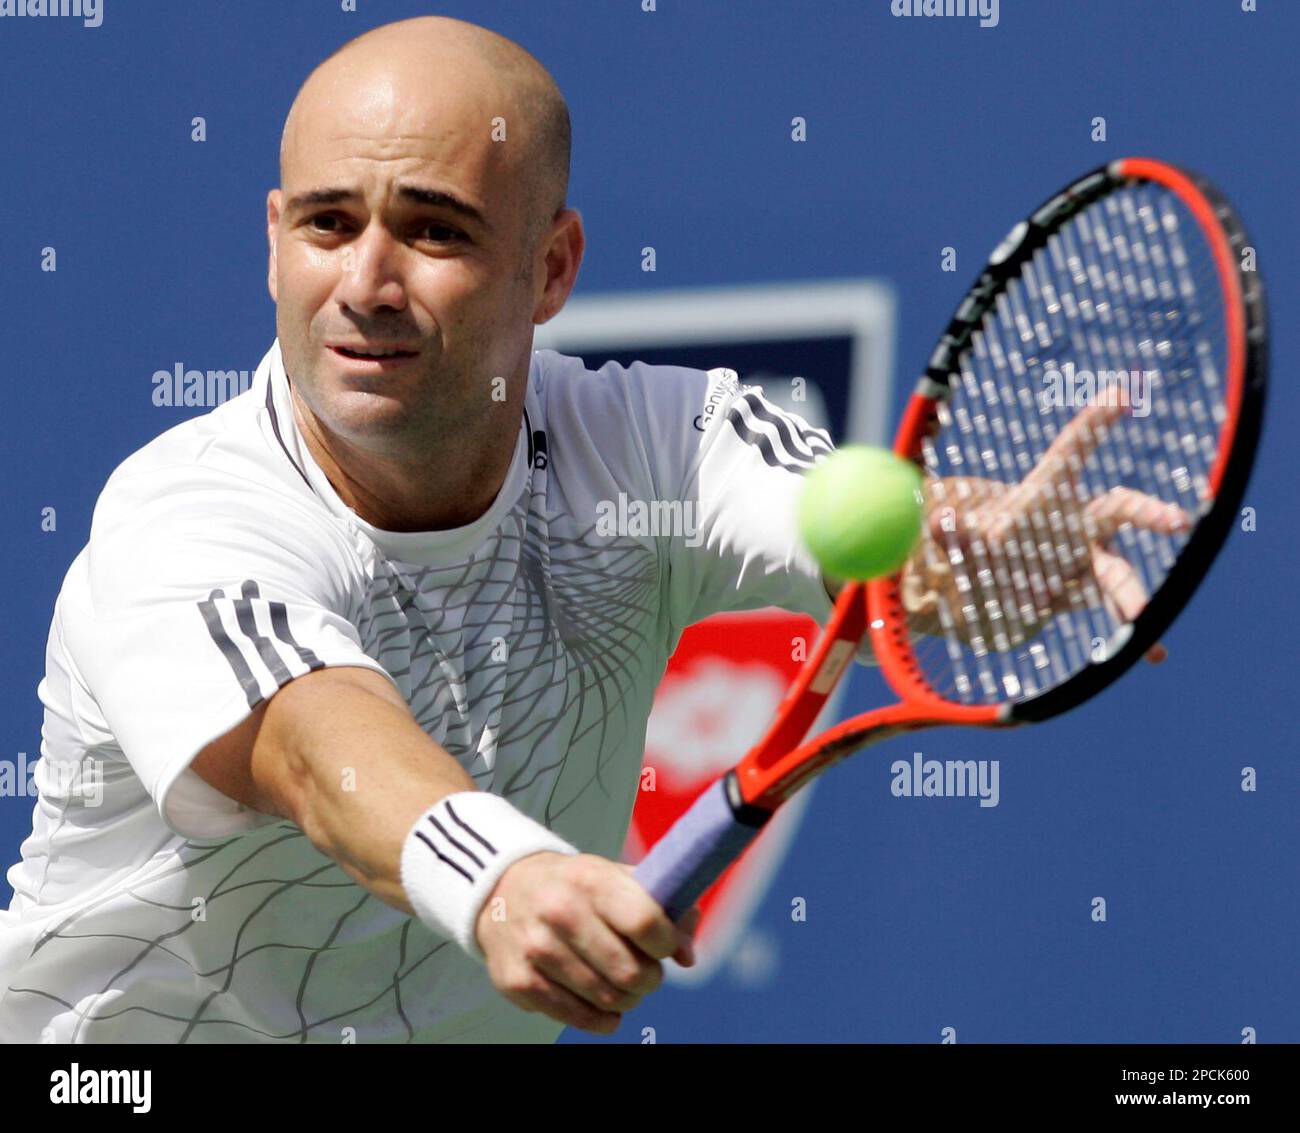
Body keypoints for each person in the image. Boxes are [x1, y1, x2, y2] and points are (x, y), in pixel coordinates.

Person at [0, 15, 1177, 1044]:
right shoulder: (185, 518)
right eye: (323, 223)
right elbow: (320, 751)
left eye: (435, 231)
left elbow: (864, 542)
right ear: (272, 239)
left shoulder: (654, 443)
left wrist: (975, 556)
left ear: (551, 265)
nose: (365, 280)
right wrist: (503, 877)